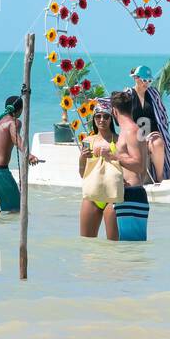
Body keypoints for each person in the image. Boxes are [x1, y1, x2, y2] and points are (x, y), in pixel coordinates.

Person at [125, 65, 170, 182]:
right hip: (135, 134)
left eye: (149, 81)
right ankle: (137, 179)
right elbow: (114, 103)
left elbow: (162, 113)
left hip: (153, 130)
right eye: (144, 80)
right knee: (137, 145)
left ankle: (160, 178)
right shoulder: (128, 94)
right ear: (136, 78)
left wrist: (164, 130)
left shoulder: (153, 93)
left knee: (158, 143)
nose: (146, 83)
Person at [0, 95, 39, 215]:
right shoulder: (14, 122)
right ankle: (10, 232)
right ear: (20, 110)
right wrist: (28, 155)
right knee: (18, 210)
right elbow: (16, 139)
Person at [110, 91, 151, 240]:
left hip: (133, 194)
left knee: (131, 248)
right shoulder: (128, 131)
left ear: (114, 110)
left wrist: (114, 156)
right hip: (129, 194)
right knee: (127, 251)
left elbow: (139, 165)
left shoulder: (131, 131)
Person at [77, 98, 119, 240]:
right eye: (98, 116)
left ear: (111, 119)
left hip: (113, 197)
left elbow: (126, 166)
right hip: (92, 195)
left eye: (106, 116)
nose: (102, 120)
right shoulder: (88, 141)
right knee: (86, 243)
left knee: (114, 246)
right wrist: (82, 158)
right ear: (94, 118)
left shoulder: (119, 140)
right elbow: (83, 173)